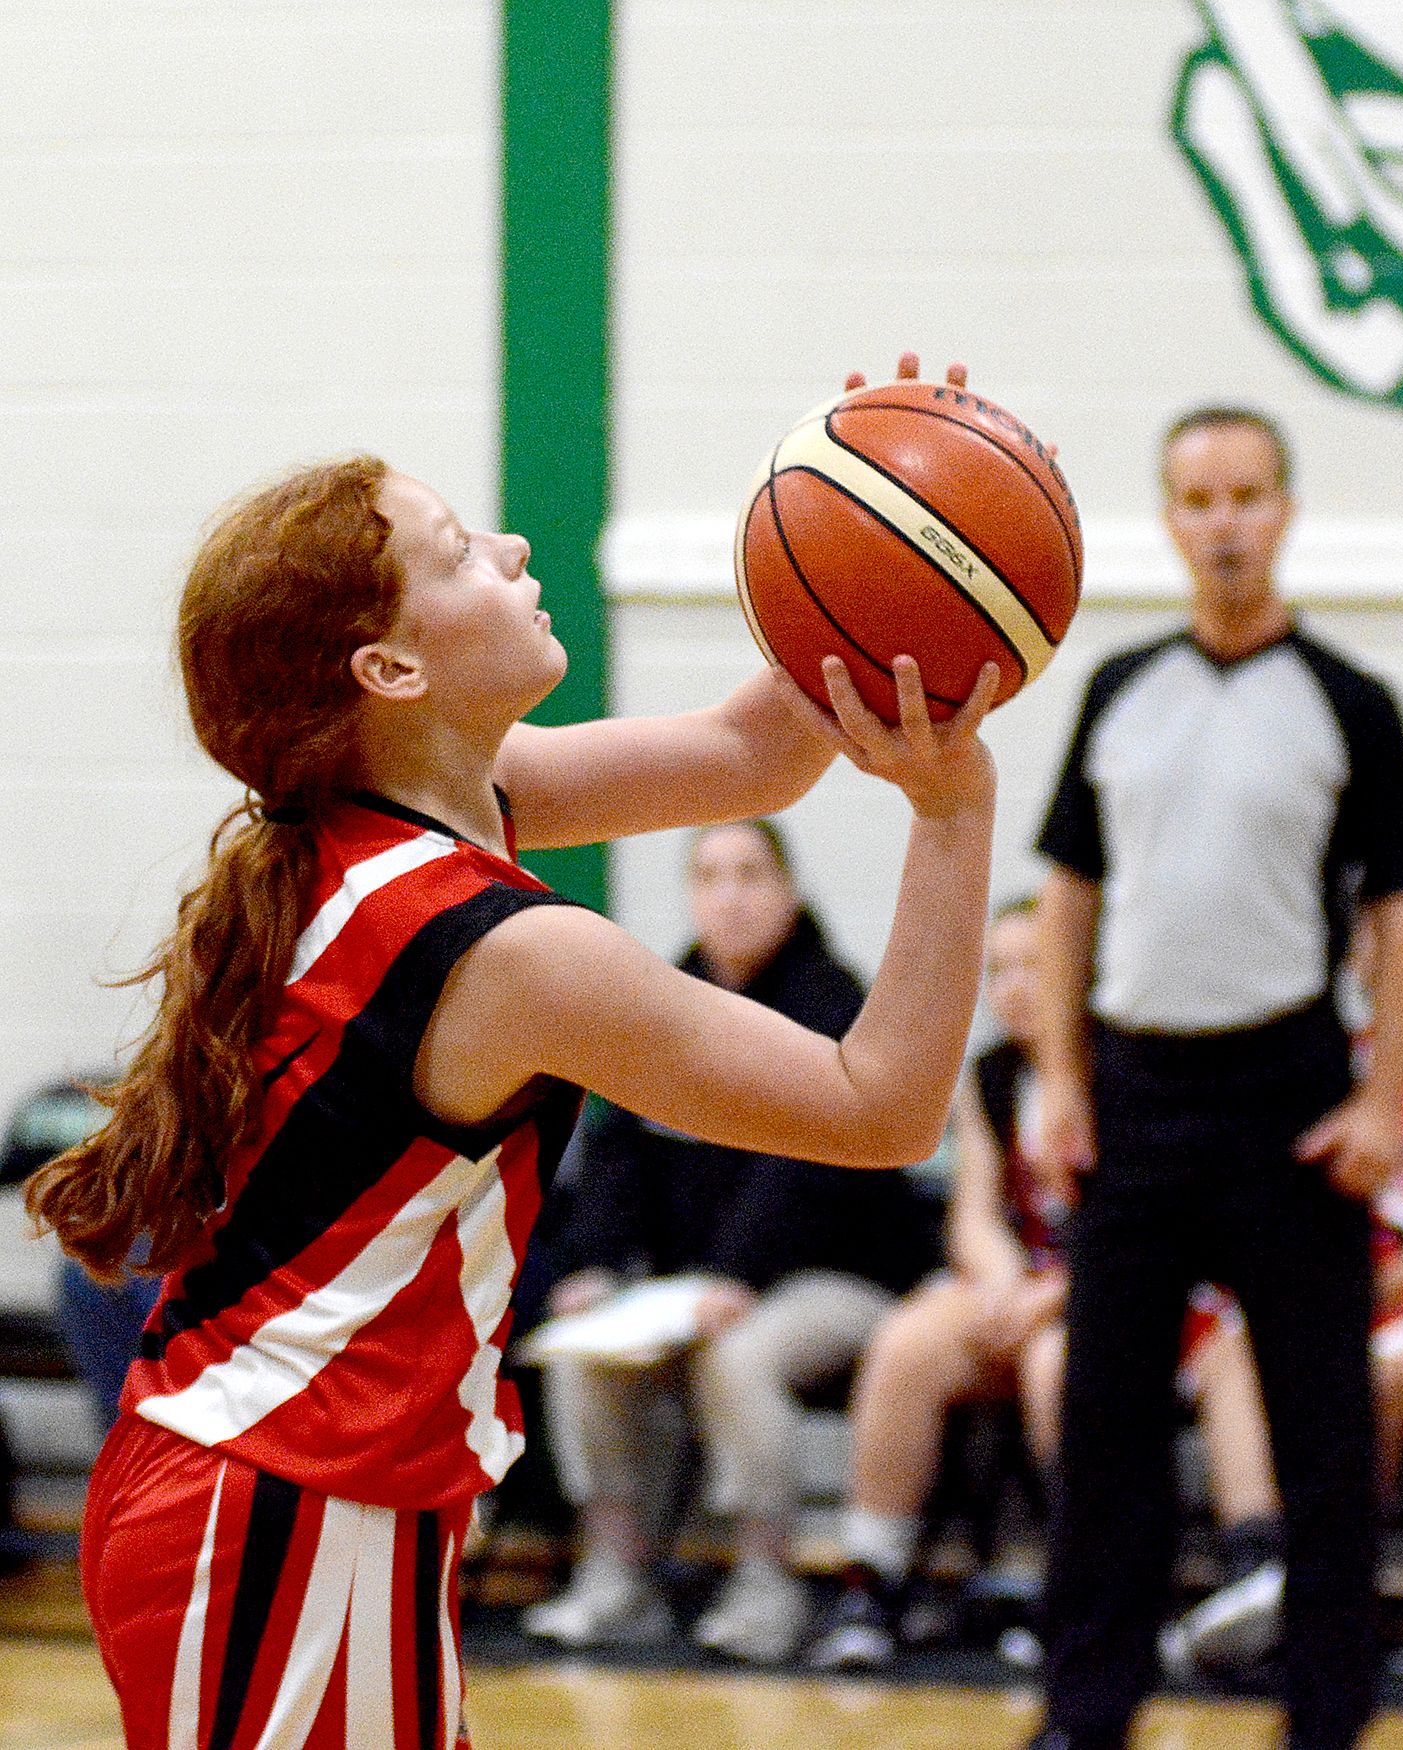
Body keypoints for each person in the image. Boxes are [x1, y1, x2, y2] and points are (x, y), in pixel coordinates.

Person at [24, 360, 1000, 1750]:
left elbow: (752, 753)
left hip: (293, 1497)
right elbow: (882, 1101)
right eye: (459, 552)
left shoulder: (416, 806)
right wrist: (954, 817)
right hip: (280, 1510)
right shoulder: (510, 953)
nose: (514, 547)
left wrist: (864, 507)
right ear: (392, 667)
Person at [1028, 406, 1403, 1750]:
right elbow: (1064, 898)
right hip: (1136, 1092)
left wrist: (1384, 1100)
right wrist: (1060, 1082)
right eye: (1197, 497)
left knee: (1323, 1432)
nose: (1222, 520)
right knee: (1104, 1428)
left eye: (1247, 495)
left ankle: (1324, 1720)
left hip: (1285, 1097)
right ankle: (1085, 1712)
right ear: (1166, 516)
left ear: (1283, 509)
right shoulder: (1114, 691)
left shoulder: (1348, 702)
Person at [522, 818, 940, 1660]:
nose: (730, 894)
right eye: (709, 875)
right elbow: (616, 1149)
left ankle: (766, 1581)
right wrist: (599, 1267)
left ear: (787, 891)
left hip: (832, 1276)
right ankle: (616, 1574)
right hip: (693, 1288)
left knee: (736, 1355)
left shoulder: (831, 1000)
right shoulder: (664, 1000)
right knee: (582, 1348)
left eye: (751, 873)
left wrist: (736, 1275)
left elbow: (814, 1173)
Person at [1158, 909, 1403, 1678]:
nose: (1385, 953)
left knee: (1361, 1372)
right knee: (1231, 1346)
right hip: (1359, 1285)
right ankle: (1258, 1564)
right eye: (1369, 938)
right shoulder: (1336, 1060)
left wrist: (1367, 1290)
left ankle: (1330, 1592)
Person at [803, 896, 1069, 1670]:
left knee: (1058, 1366)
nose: (1013, 986)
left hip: (1105, 1293)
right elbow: (973, 1216)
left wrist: (1048, 1294)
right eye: (1000, 970)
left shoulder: (1120, 1065)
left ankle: (1078, 1589)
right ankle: (871, 1583)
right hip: (1020, 1293)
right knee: (905, 1343)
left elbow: (1147, 1224)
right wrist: (1004, 1281)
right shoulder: (990, 1075)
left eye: (1034, 967)